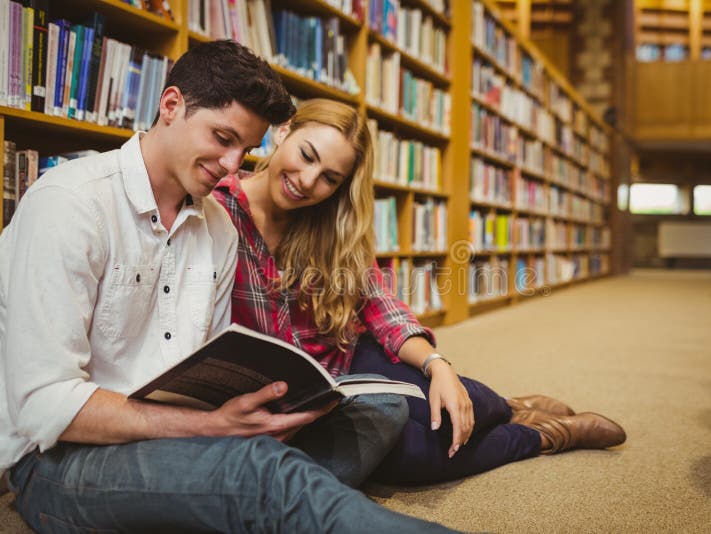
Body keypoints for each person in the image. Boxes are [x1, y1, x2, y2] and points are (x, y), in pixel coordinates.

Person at [0, 41, 456, 532]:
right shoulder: (70, 204)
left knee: (372, 413)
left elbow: (202, 373)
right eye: (222, 138)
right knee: (266, 479)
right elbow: (44, 405)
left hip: (178, 436)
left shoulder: (216, 228)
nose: (232, 163)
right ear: (171, 105)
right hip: (60, 461)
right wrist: (212, 428)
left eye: (246, 149)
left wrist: (244, 416)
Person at [212, 98, 627, 485]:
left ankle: (507, 407)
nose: (307, 182)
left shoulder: (330, 224)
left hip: (344, 356)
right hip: (284, 393)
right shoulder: (216, 209)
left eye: (329, 179)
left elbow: (380, 306)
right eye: (307, 156)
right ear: (283, 132)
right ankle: (544, 437)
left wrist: (437, 363)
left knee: (451, 403)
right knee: (418, 454)